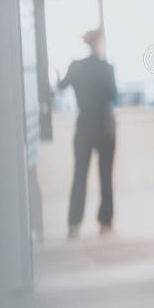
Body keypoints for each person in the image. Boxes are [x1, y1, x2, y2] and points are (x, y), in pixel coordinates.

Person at [58, 28, 118, 238]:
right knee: (105, 176)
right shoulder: (106, 67)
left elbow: (61, 85)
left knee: (80, 175)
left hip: (84, 125)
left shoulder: (76, 66)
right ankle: (105, 222)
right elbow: (113, 95)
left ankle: (74, 225)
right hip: (105, 126)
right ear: (98, 44)